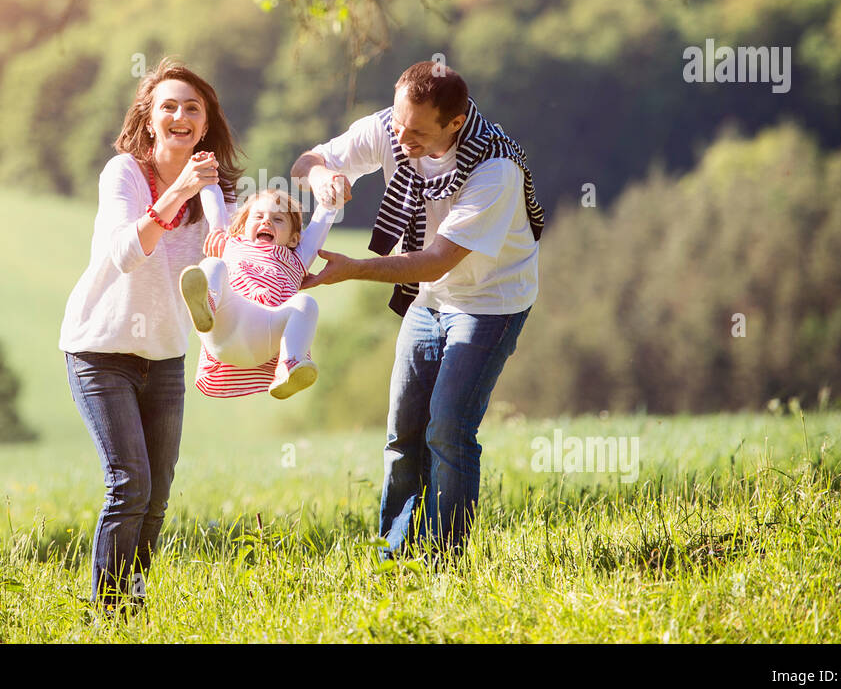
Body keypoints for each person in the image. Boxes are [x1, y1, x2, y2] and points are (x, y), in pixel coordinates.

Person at [291, 61, 544, 561]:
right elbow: (307, 161)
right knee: (404, 430)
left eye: (418, 132)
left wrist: (354, 269)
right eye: (399, 124)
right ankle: (396, 555)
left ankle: (444, 557)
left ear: (454, 123)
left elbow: (436, 262)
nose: (401, 137)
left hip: (489, 302)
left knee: (448, 426)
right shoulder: (393, 126)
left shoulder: (495, 168)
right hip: (429, 301)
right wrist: (323, 178)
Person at [59, 56, 241, 611]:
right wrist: (178, 192)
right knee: (128, 484)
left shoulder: (217, 195)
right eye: (169, 107)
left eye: (193, 108)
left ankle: (133, 596)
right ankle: (109, 612)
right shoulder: (124, 175)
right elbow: (125, 253)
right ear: (150, 118)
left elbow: (238, 266)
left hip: (164, 357)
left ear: (205, 123)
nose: (181, 115)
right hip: (99, 350)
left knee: (157, 496)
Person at [179, 185, 337, 399]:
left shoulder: (296, 258)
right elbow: (215, 207)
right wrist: (209, 180)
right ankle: (206, 306)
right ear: (243, 226)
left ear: (293, 239)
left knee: (306, 303)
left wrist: (331, 200)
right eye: (259, 216)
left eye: (278, 219)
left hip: (266, 334)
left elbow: (319, 227)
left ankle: (288, 364)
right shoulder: (230, 243)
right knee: (213, 264)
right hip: (223, 322)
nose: (266, 222)